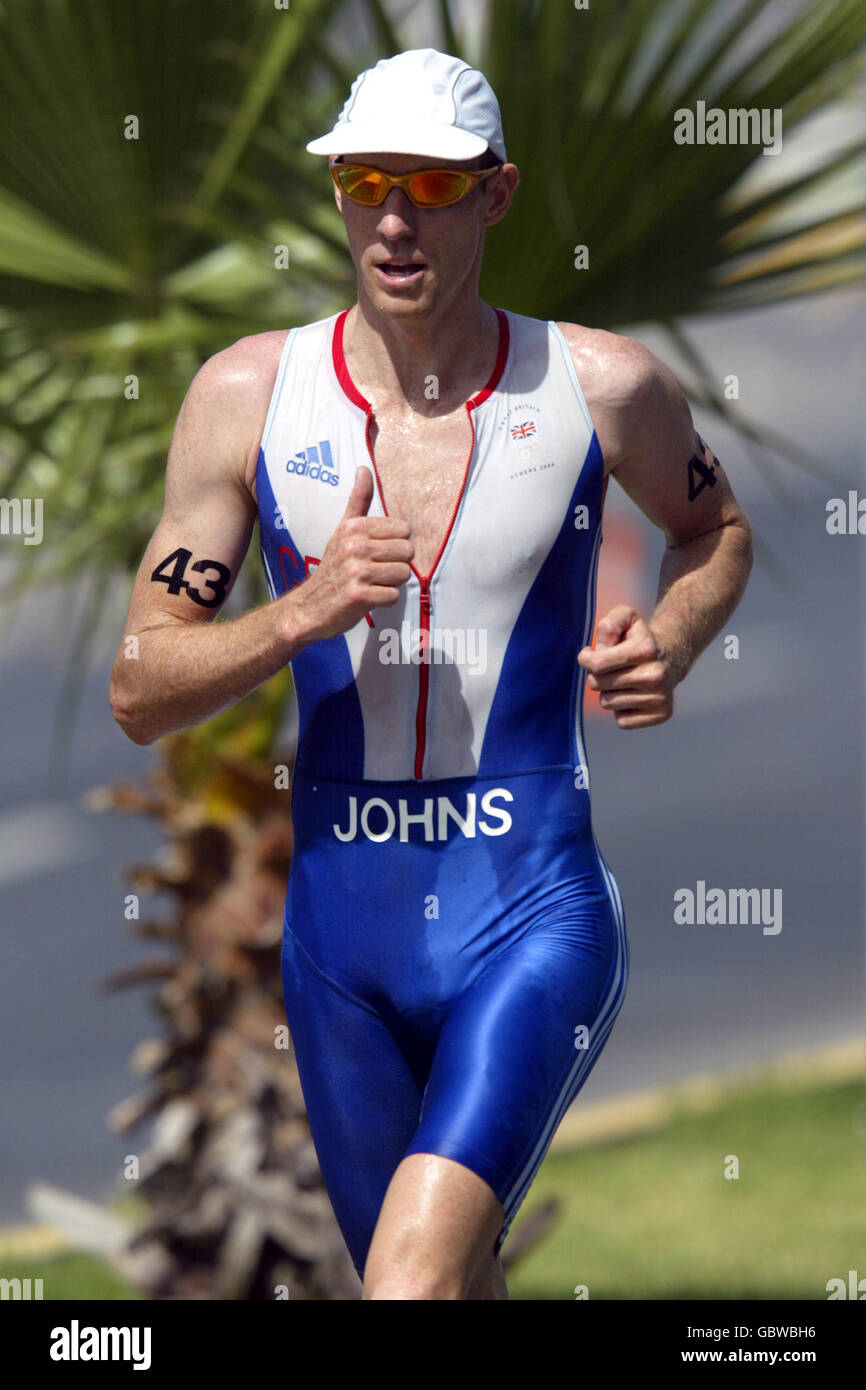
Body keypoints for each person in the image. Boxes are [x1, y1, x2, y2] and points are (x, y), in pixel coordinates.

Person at [110, 48, 753, 1300]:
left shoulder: (600, 385)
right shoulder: (247, 396)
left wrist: (666, 640)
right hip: (338, 948)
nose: (393, 218)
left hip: (528, 910)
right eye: (365, 181)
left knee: (407, 1286)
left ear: (496, 196)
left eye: (431, 186)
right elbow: (141, 687)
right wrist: (297, 610)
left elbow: (713, 529)